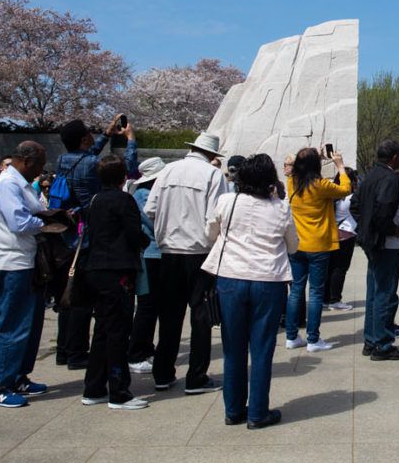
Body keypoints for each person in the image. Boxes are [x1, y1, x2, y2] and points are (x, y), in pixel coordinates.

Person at [205, 154, 296, 429]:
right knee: (262, 348)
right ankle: (257, 412)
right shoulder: (281, 208)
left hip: (231, 278)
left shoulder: (226, 201)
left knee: (232, 348)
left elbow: (210, 233)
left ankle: (233, 410)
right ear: (270, 181)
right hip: (269, 280)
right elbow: (292, 246)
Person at [144, 131, 229, 395]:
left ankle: (163, 373)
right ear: (213, 155)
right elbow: (217, 216)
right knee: (201, 315)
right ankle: (196, 376)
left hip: (168, 251)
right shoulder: (213, 175)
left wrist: (165, 229)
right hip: (199, 252)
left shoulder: (168, 171)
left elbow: (150, 209)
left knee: (169, 315)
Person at [53, 116, 137, 370]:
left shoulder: (63, 160)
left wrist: (106, 135)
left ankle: (64, 349)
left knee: (68, 293)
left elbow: (87, 156)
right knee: (83, 298)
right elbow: (127, 170)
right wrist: (130, 141)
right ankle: (78, 352)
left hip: (67, 235)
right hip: (88, 236)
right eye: (89, 133)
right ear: (82, 138)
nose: (92, 136)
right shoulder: (91, 164)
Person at [80, 155, 150, 410]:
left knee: (102, 330)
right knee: (118, 331)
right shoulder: (124, 200)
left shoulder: (96, 200)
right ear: (123, 177)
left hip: (96, 269)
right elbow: (133, 234)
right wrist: (144, 242)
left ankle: (94, 386)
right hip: (118, 270)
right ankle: (118, 391)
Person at [0, 141, 50, 407]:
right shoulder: (9, 184)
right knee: (13, 326)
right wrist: (46, 222)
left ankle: (18, 375)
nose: (41, 170)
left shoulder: (19, 182)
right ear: (26, 160)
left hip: (24, 260)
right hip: (11, 262)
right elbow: (19, 221)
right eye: (40, 164)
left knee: (30, 324)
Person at [285, 146, 351, 351]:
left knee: (296, 291)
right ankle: (313, 339)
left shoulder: (291, 182)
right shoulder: (321, 185)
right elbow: (346, 189)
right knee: (315, 292)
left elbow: (295, 169)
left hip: (297, 245)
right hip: (318, 244)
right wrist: (340, 166)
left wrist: (314, 157)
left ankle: (291, 336)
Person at [352, 140, 399, 361]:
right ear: (394, 157)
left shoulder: (370, 176)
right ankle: (382, 344)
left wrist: (366, 226)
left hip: (372, 242)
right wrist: (387, 227)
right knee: (383, 292)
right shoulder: (389, 178)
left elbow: (355, 205)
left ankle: (371, 339)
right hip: (384, 244)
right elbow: (383, 209)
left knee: (374, 292)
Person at [127, 157, 166, 375]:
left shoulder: (148, 192)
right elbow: (153, 222)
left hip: (156, 253)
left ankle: (145, 347)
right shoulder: (143, 195)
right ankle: (136, 352)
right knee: (147, 306)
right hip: (150, 253)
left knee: (153, 305)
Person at [324, 168, 358, 311]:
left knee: (330, 268)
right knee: (340, 268)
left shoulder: (331, 195)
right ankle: (335, 299)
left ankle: (326, 298)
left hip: (331, 233)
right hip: (346, 234)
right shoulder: (350, 197)